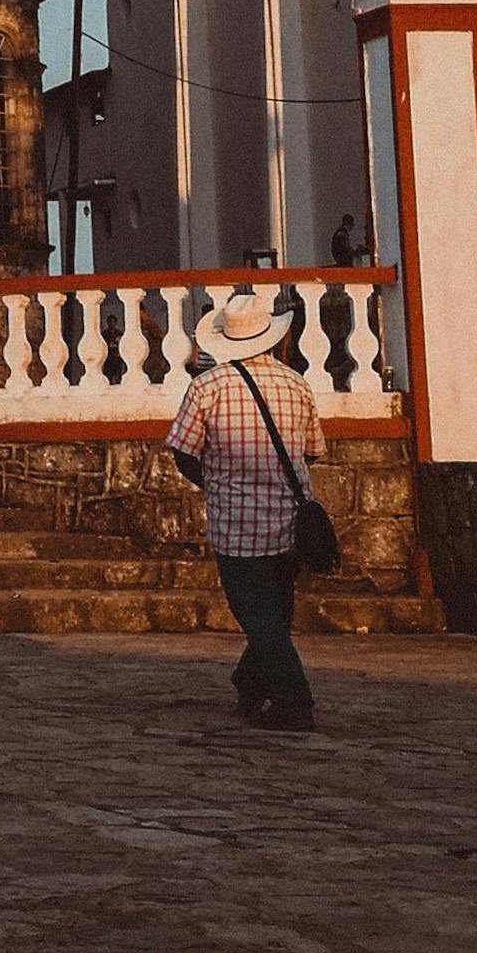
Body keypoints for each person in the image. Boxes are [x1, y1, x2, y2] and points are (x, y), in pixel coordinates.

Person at [166, 289, 326, 732]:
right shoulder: (298, 384)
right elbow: (311, 451)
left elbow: (183, 451)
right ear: (271, 338)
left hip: (236, 524)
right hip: (290, 520)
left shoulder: (207, 387)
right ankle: (250, 682)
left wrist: (216, 481)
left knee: (257, 615)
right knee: (274, 612)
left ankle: (294, 700)